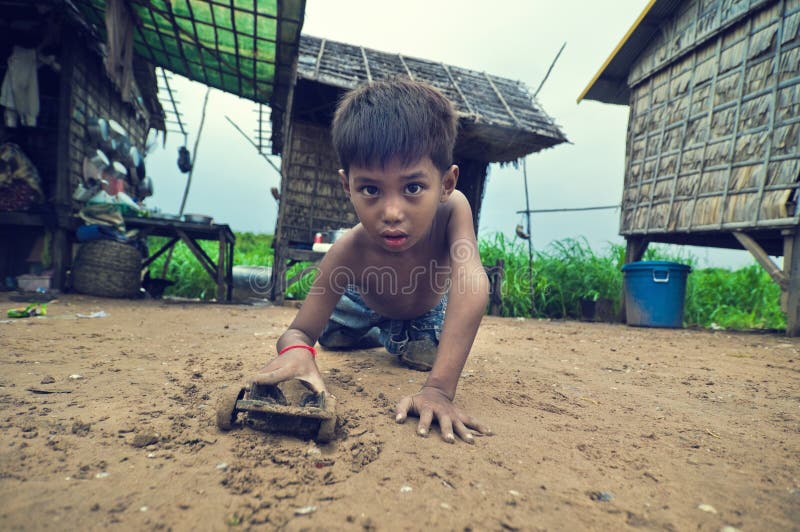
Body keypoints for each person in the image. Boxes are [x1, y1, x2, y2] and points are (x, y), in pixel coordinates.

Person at [252, 78, 492, 444]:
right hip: (358, 304)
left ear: (446, 184)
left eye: (413, 187)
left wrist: (439, 390)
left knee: (427, 354)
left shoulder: (453, 210)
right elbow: (299, 331)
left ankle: (394, 335)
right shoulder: (349, 250)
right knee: (333, 336)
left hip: (423, 311)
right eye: (371, 190)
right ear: (348, 186)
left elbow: (471, 281)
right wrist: (299, 352)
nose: (392, 212)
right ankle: (365, 331)